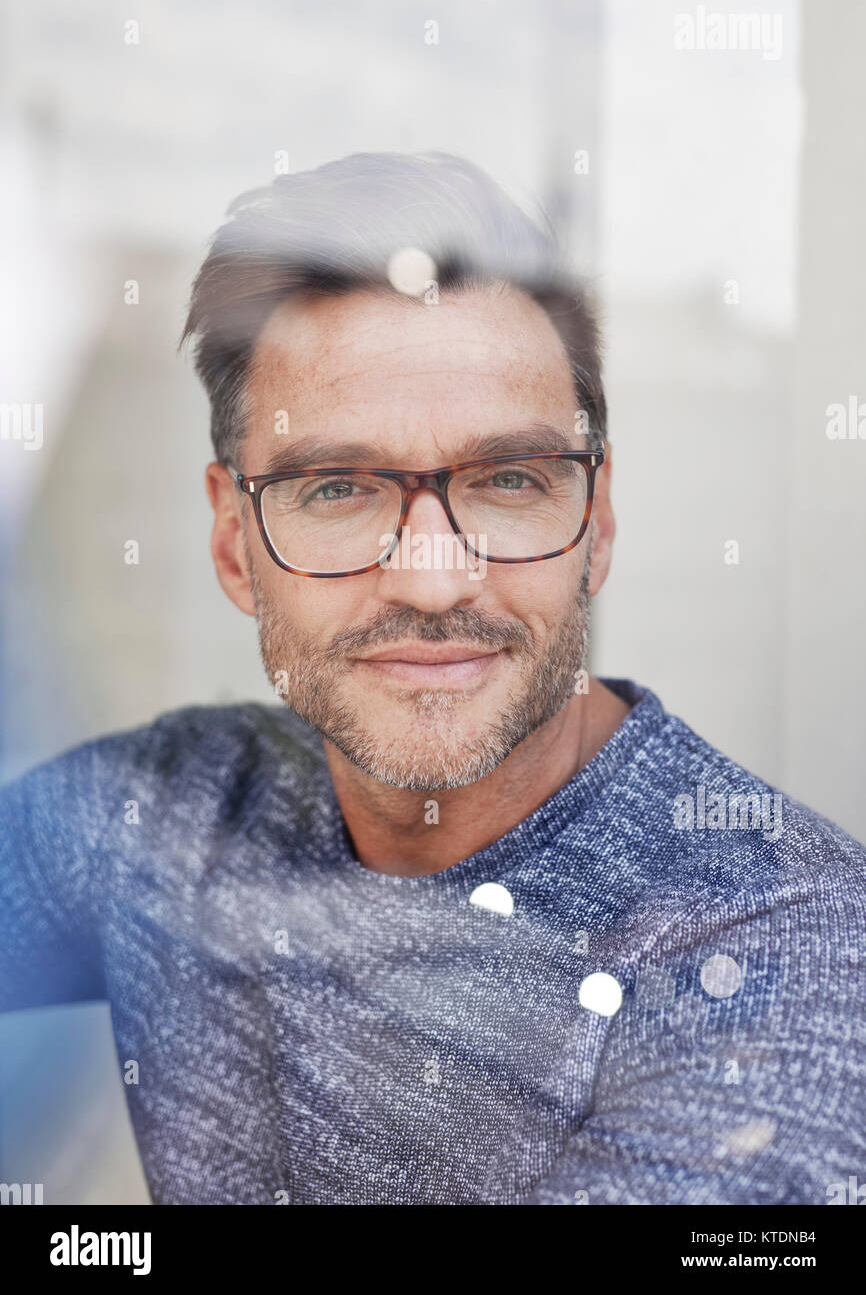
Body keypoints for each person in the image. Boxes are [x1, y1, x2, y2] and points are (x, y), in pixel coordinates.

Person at [1, 151, 864, 1205]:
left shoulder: (781, 949)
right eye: (338, 487)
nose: (433, 573)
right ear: (233, 543)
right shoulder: (176, 805)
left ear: (594, 523)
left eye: (506, 480)